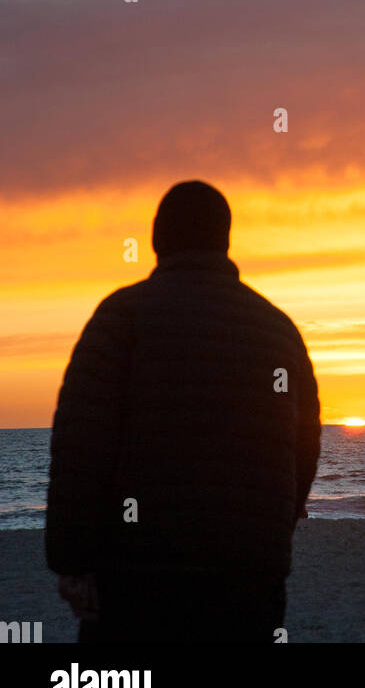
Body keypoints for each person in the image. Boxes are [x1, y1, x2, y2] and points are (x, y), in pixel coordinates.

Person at [45, 180, 321, 642]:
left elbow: (80, 445)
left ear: (156, 239)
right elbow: (304, 451)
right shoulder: (279, 332)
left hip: (136, 578)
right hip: (247, 581)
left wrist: (71, 561)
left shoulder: (120, 318)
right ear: (225, 239)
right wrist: (273, 536)